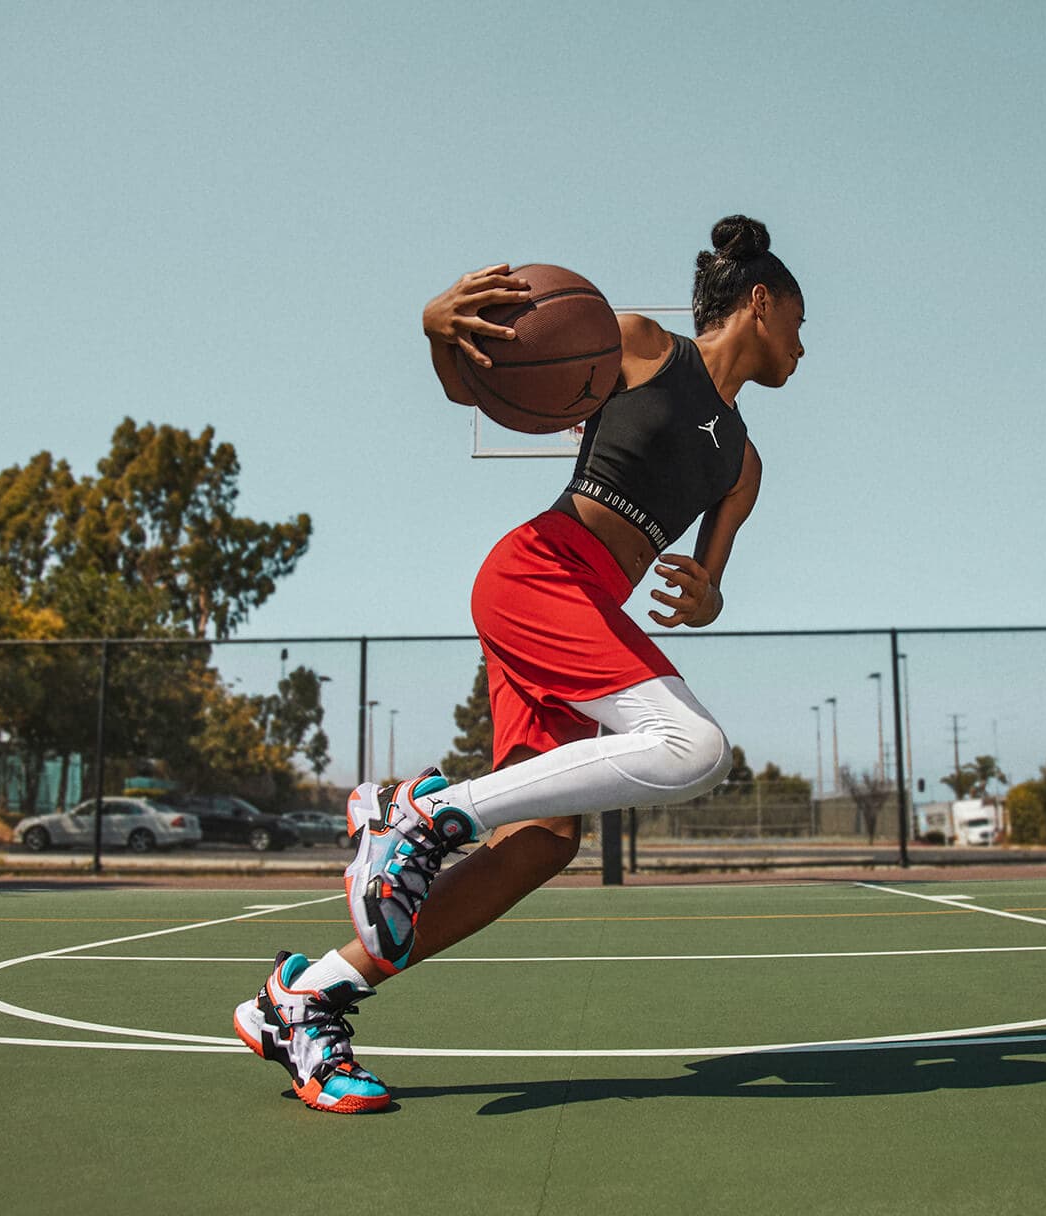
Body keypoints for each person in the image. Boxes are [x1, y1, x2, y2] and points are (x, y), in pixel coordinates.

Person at [234, 215, 805, 1113]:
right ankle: (417, 814)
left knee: (539, 843)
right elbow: (486, 378)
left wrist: (706, 597)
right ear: (761, 302)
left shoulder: (745, 466)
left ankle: (306, 1000)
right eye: (801, 324)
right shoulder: (643, 345)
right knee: (693, 747)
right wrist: (438, 332)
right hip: (539, 570)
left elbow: (711, 581)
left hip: (584, 603)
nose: (804, 348)